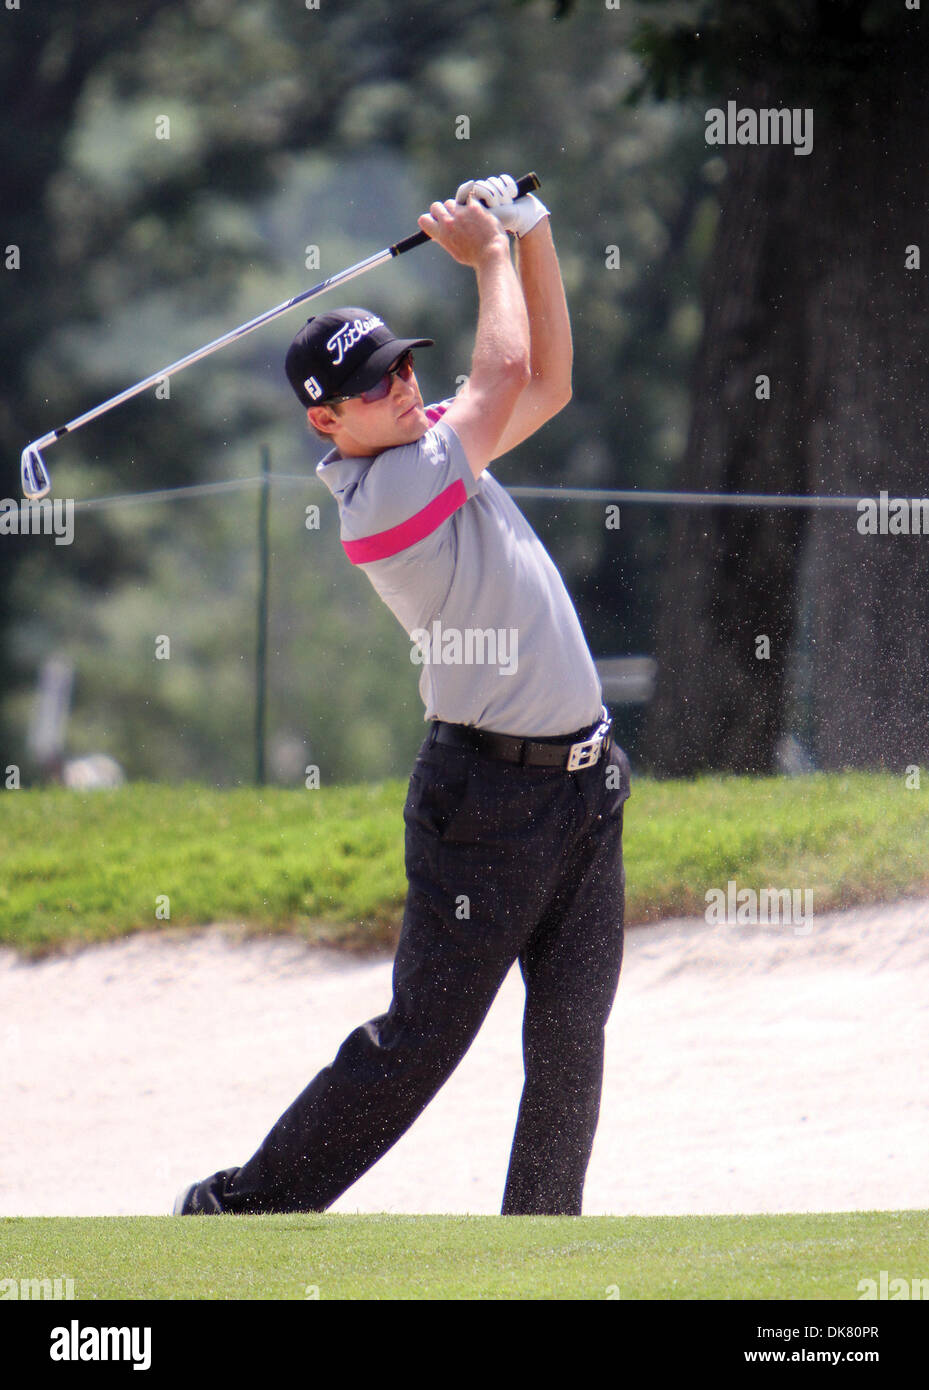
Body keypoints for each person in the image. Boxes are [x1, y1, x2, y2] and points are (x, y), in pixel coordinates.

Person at [174, 174, 631, 1218]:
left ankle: (539, 1247)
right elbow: (506, 363)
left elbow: (546, 382)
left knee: (569, 1037)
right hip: (486, 805)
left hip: (583, 784)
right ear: (324, 420)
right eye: (372, 387)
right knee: (417, 1044)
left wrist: (532, 229)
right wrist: (487, 256)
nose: (398, 387)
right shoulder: (390, 490)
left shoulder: (431, 447)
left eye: (401, 368)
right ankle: (241, 1209)